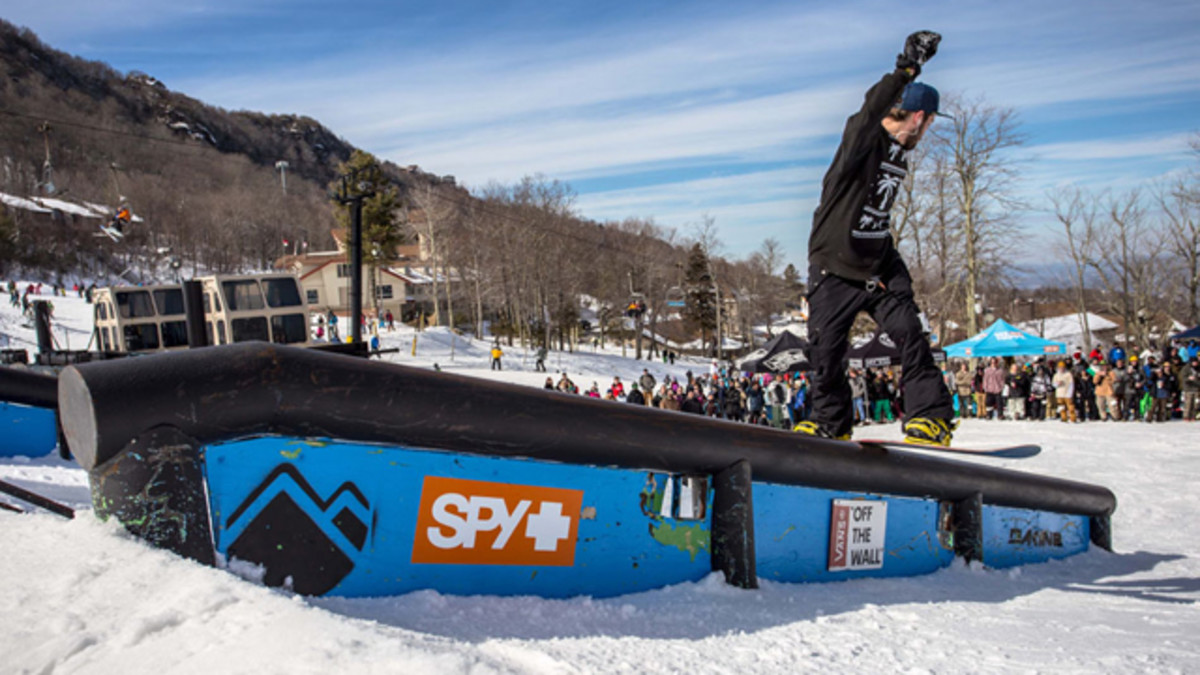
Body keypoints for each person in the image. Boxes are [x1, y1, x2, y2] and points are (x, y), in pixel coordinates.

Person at [796, 31, 954, 446]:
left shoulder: (900, 151)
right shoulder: (864, 143)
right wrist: (907, 68)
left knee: (911, 335)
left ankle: (929, 417)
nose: (928, 131)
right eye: (930, 123)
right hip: (833, 266)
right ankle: (831, 422)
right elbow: (868, 114)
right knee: (825, 353)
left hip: (880, 264)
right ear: (919, 118)